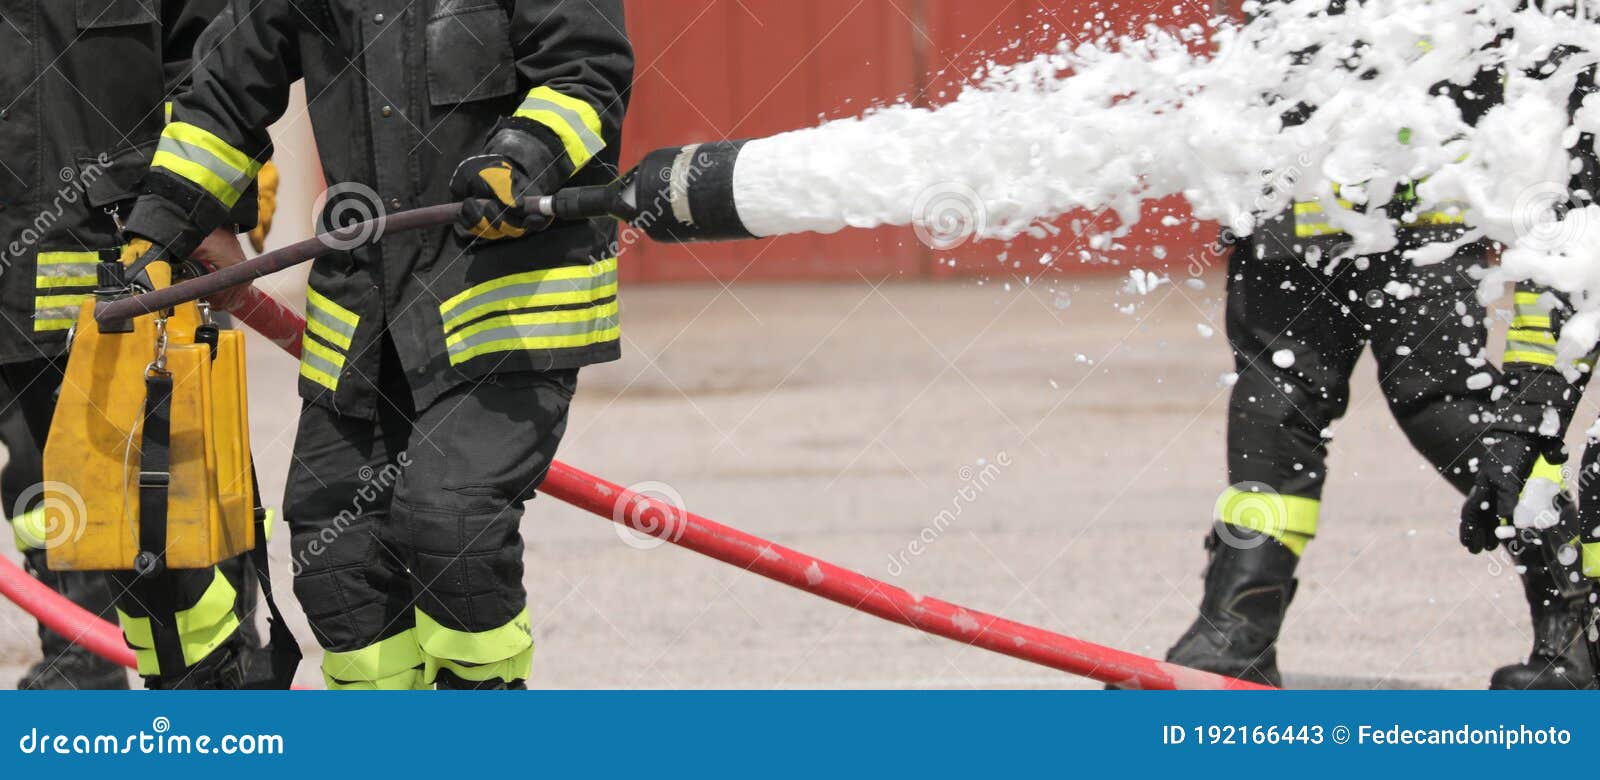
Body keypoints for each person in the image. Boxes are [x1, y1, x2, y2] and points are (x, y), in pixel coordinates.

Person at [122, 0, 633, 689]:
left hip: (503, 300)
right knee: (338, 556)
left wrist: (522, 156)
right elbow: (222, 96)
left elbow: (586, 72)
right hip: (366, 310)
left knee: (451, 520)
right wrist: (159, 230)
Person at [1162, 0, 1592, 689]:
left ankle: (1576, 624)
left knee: (1443, 406)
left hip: (1422, 188)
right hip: (1288, 182)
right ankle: (1237, 626)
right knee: (1274, 403)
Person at [0, 0, 266, 689]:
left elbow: (215, 59)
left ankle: (218, 680)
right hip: (14, 261)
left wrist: (208, 204)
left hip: (132, 245)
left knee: (169, 476)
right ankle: (79, 656)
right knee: (38, 473)